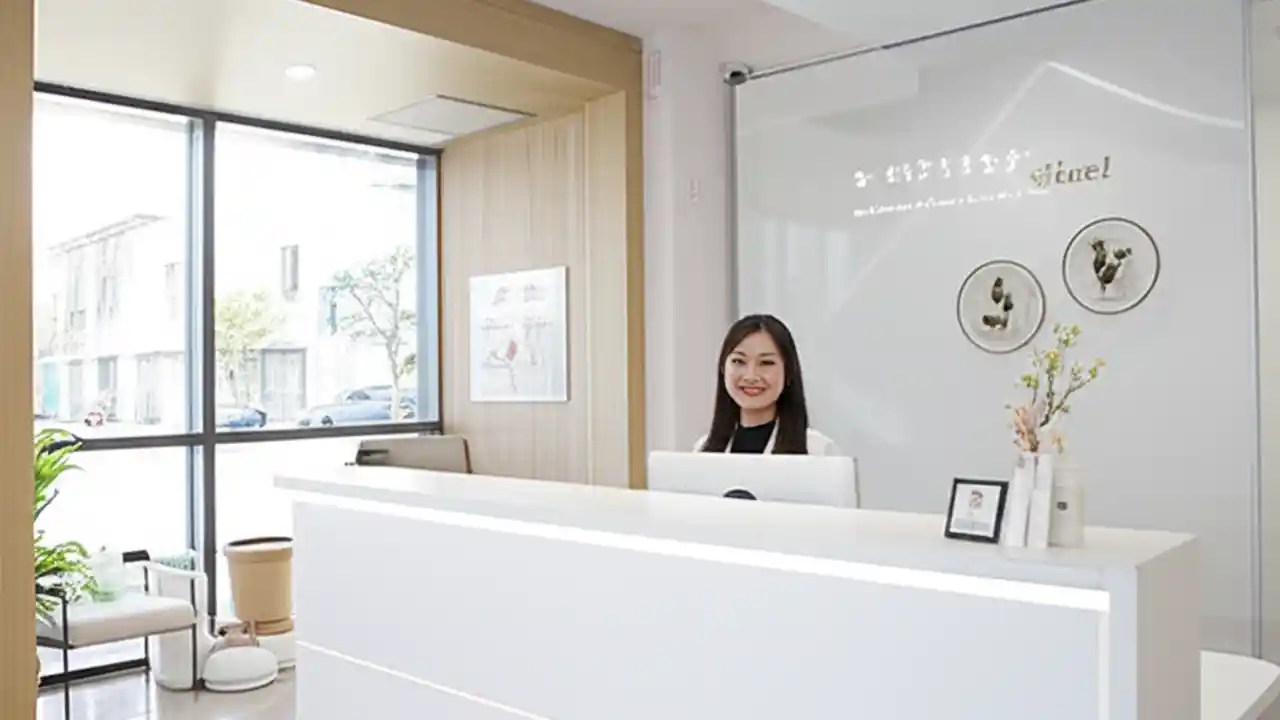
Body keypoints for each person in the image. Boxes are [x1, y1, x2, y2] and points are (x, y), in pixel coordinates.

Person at [695, 314, 840, 455]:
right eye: (739, 361)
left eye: (766, 363)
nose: (751, 376)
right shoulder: (703, 449)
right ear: (723, 368)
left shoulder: (818, 450)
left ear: (788, 371)